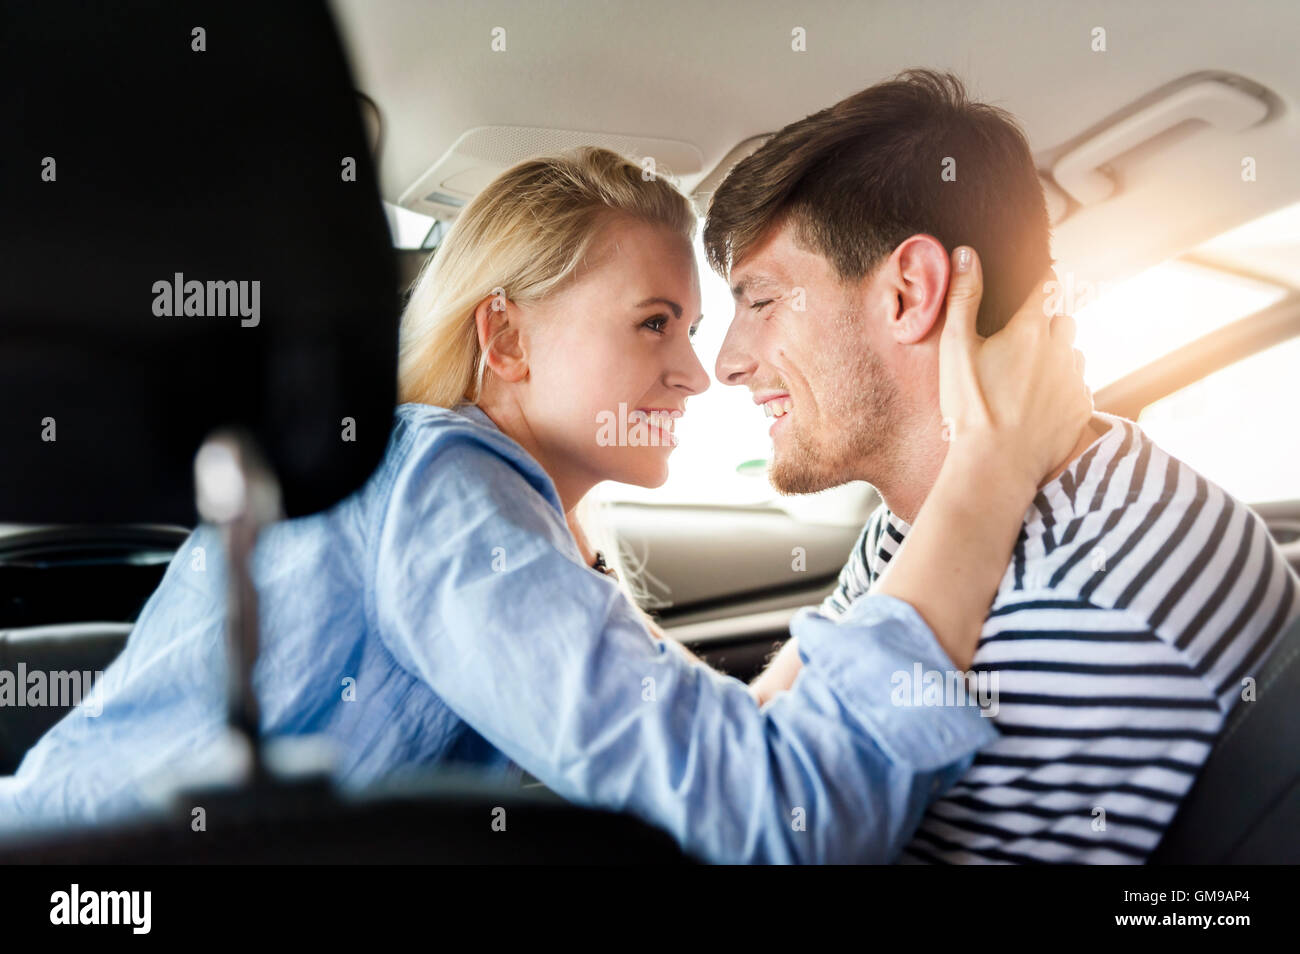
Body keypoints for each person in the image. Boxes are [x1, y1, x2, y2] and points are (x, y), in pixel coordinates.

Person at [0, 146, 1089, 863]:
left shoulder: (490, 512)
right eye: (654, 321)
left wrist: (894, 555)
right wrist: (985, 480)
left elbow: (701, 748)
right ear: (505, 337)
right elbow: (773, 817)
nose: (700, 371)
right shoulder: (435, 486)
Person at [716, 69, 1300, 863]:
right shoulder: (924, 519)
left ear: (908, 292)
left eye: (760, 302)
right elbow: (764, 762)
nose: (727, 361)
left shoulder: (1099, 586)